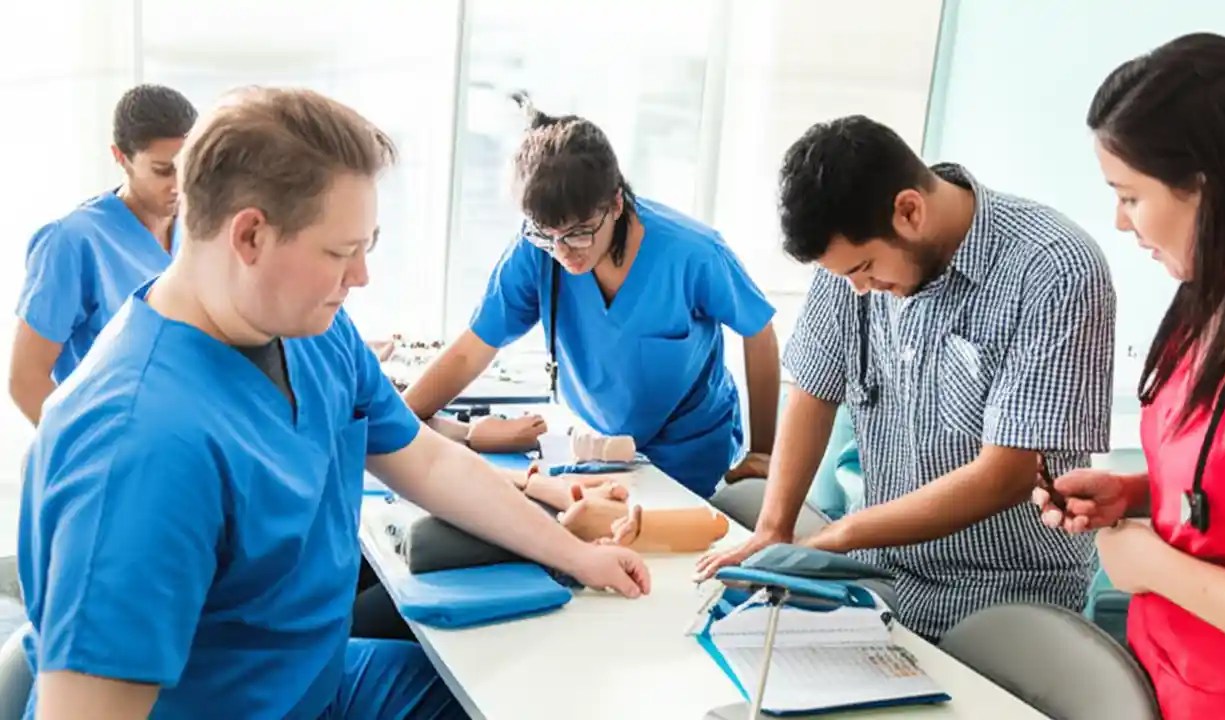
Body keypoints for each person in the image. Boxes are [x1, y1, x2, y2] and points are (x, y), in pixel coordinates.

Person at [18, 86, 650, 720]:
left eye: (366, 248)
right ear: (250, 237)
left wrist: (577, 556)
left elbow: (426, 461)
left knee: (524, 699)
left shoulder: (311, 333)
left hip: (316, 684)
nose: (361, 278)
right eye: (341, 253)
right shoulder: (140, 447)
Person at [696, 114, 1117, 642]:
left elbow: (1005, 475)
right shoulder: (853, 261)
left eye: (866, 269)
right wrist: (773, 531)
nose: (860, 290)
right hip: (878, 580)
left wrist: (840, 535)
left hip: (1006, 599)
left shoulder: (1055, 270)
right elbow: (812, 389)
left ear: (909, 211)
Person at [1035, 32, 1225, 717]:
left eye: (1131, 196)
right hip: (1156, 680)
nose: (1118, 221)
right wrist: (1134, 494)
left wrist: (1158, 569)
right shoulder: (1213, 305)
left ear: (1209, 188)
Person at [403, 93, 780, 498]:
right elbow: (472, 348)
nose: (564, 250)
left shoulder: (693, 254)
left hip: (691, 455)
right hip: (596, 449)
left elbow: (759, 332)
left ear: (616, 203)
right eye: (547, 235)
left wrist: (762, 451)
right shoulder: (536, 251)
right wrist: (398, 418)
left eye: (579, 232)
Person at [10, 84, 197, 425]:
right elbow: (25, 380)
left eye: (188, 167)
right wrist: (80, 447)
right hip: (110, 443)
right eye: (162, 170)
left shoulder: (199, 228)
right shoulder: (73, 241)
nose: (178, 185)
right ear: (120, 157)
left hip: (183, 439)